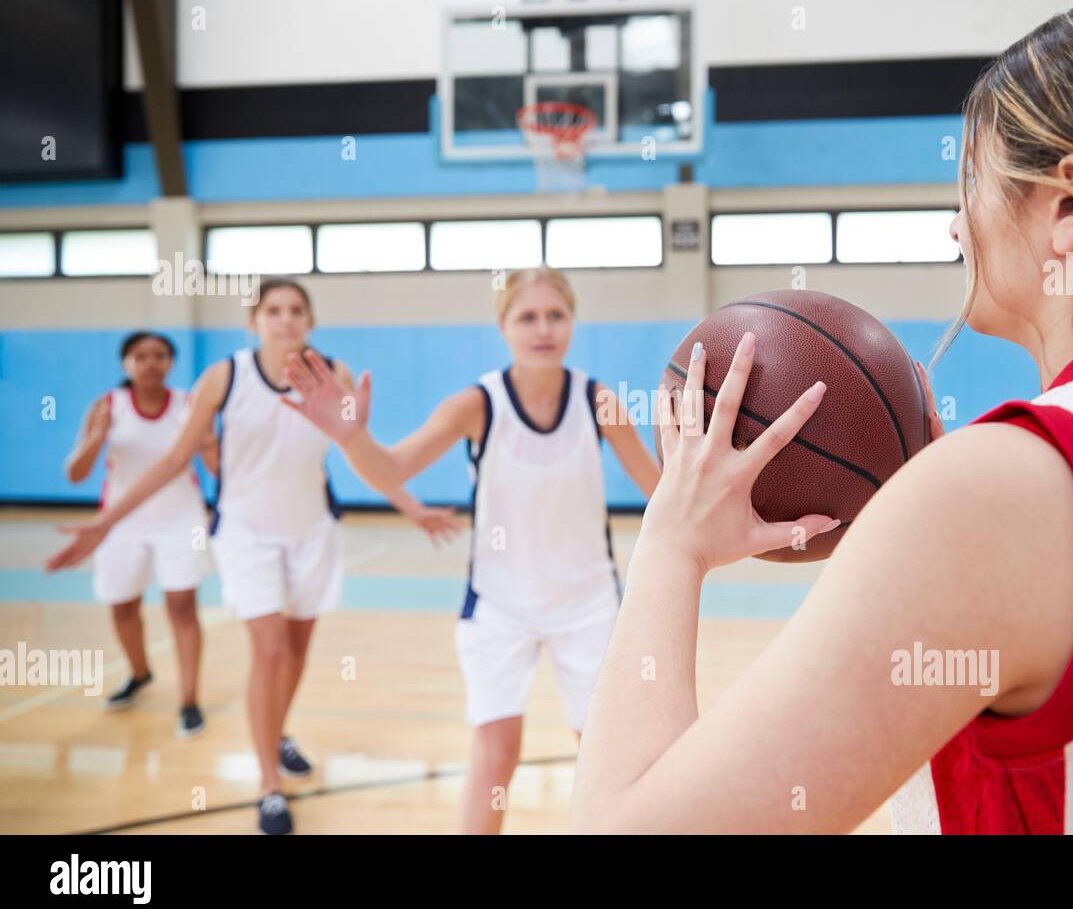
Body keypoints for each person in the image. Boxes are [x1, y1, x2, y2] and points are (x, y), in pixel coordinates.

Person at [570, 0, 1073, 834]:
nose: (959, 229)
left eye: (974, 184)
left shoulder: (1005, 491)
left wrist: (671, 542)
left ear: (1070, 204)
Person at [282, 266, 660, 833]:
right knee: (495, 753)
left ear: (573, 321)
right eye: (527, 316)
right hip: (499, 605)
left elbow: (660, 493)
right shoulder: (477, 404)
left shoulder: (599, 399)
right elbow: (392, 468)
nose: (543, 329)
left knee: (602, 756)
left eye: (556, 315)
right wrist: (351, 437)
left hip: (589, 605)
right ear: (503, 326)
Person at [46, 279, 384, 835]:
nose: (286, 319)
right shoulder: (225, 377)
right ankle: (268, 787)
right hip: (245, 532)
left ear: (311, 320)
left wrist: (367, 441)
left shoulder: (335, 374)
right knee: (270, 651)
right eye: (273, 310)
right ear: (254, 321)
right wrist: (106, 522)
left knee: (297, 651)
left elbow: (359, 449)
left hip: (311, 528)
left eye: (297, 310)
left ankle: (276, 733)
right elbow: (176, 459)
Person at [64, 331, 216, 736]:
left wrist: (209, 444)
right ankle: (139, 673)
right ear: (125, 363)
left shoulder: (190, 405)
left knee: (182, 605)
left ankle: (189, 700)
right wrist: (95, 440)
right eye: (140, 355)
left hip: (181, 518)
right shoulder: (107, 407)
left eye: (160, 355)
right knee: (122, 606)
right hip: (120, 522)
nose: (150, 362)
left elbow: (219, 468)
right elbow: (76, 474)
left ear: (171, 362)